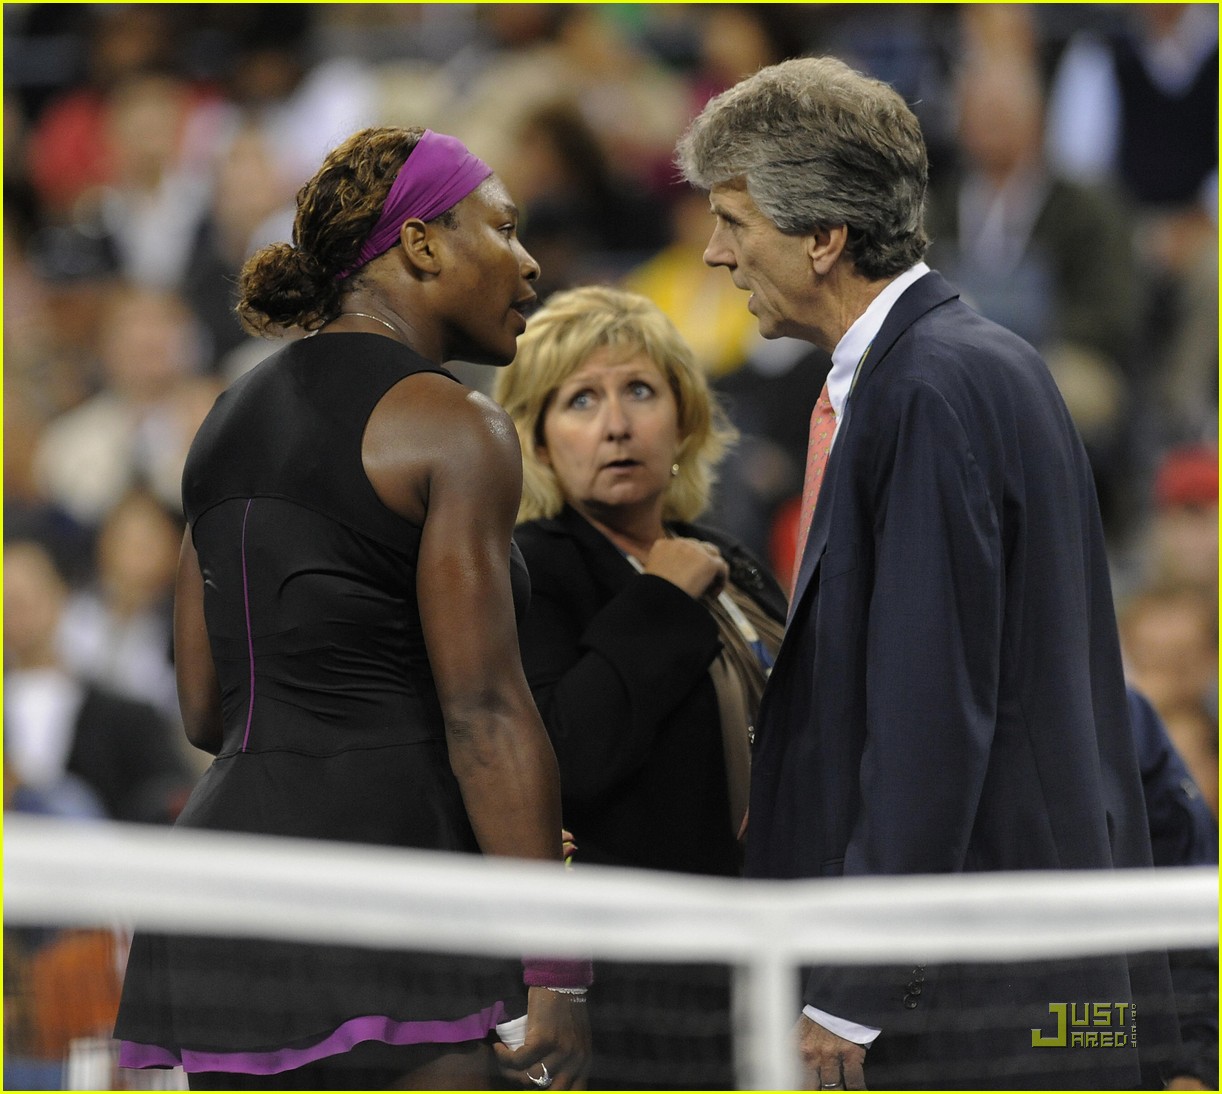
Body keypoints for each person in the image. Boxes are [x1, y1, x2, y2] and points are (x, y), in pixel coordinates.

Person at [676, 56, 1180, 1090]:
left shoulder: (925, 392)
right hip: (1034, 985)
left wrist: (855, 986)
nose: (717, 252)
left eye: (734, 220)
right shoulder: (976, 360)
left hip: (972, 1011)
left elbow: (928, 719)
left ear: (823, 237)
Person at [113, 125, 590, 1091]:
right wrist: (559, 971)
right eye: (502, 229)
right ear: (421, 244)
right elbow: (485, 713)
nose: (530, 262)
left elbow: (207, 710)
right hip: (395, 889)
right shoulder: (458, 427)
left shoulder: (219, 423)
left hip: (218, 895)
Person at [494, 284, 786, 1088]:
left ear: (685, 421)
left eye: (640, 392)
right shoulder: (528, 570)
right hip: (638, 992)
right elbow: (566, 758)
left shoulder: (733, 558)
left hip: (772, 959)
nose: (616, 425)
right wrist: (660, 598)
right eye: (580, 400)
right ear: (540, 441)